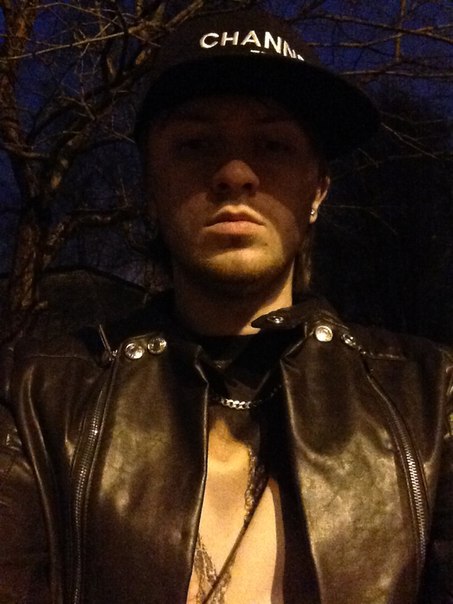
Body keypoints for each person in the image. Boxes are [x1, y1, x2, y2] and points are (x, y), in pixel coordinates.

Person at [0, 7, 452, 604]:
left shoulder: (433, 398)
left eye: (273, 144)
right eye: (195, 144)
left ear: (318, 189)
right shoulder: (36, 398)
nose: (236, 174)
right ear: (150, 186)